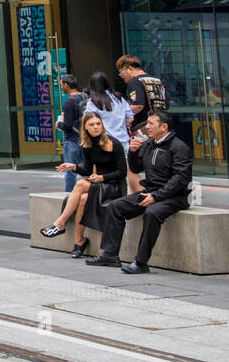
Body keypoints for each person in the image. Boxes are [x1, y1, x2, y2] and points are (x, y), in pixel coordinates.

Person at [86, 111, 192, 274]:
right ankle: (110, 254)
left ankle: (141, 262)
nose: (147, 127)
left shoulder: (179, 148)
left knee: (152, 213)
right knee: (115, 207)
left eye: (151, 124)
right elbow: (136, 168)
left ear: (164, 127)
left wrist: (156, 197)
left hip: (174, 196)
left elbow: (180, 180)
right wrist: (133, 152)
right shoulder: (149, 144)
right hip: (150, 192)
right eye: (147, 123)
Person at [40, 112, 127, 257]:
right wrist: (72, 167)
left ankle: (60, 223)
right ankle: (79, 241)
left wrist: (101, 177)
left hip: (113, 187)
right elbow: (87, 169)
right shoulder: (87, 145)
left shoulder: (113, 143)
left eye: (98, 124)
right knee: (82, 199)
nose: (96, 127)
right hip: (99, 185)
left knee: (80, 184)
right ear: (85, 128)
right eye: (92, 125)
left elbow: (122, 172)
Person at [82, 71, 136, 193]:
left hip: (104, 142)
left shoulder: (93, 102)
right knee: (125, 172)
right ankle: (126, 198)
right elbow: (130, 116)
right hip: (123, 140)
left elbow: (88, 118)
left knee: (98, 174)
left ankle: (98, 199)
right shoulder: (118, 98)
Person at [116, 54, 169, 138]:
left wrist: (122, 114)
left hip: (145, 129)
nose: (120, 75)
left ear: (130, 69)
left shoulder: (135, 82)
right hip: (162, 127)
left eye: (120, 71)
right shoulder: (157, 80)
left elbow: (138, 105)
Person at [57, 74, 85, 193]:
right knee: (86, 167)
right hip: (84, 137)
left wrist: (58, 124)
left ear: (66, 85)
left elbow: (67, 125)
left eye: (62, 84)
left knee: (70, 168)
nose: (61, 87)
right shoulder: (84, 97)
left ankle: (69, 194)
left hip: (72, 139)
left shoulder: (69, 102)